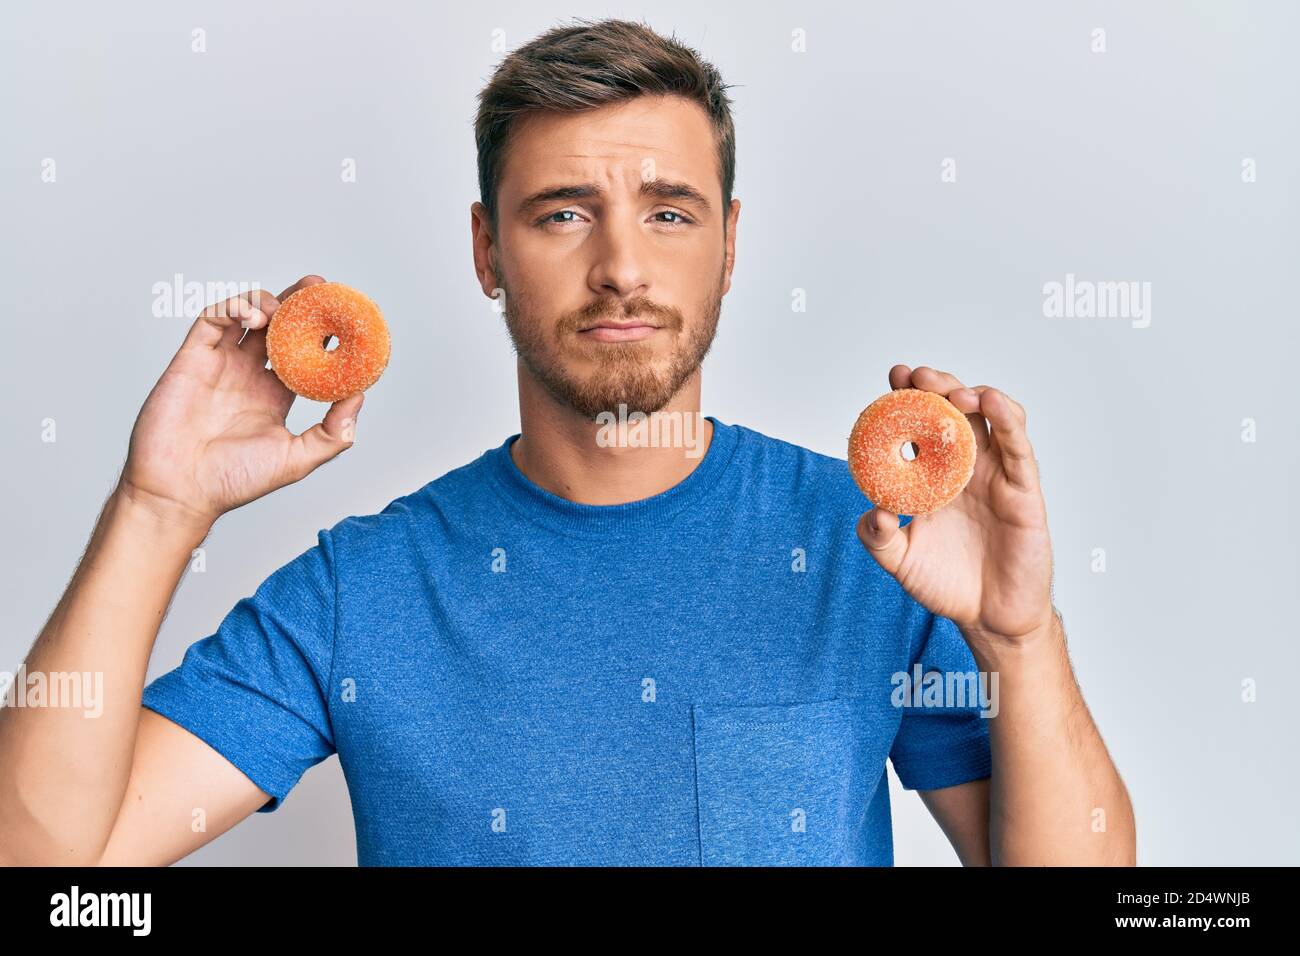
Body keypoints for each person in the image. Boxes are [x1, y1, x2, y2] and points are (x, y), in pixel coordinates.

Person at [0, 17, 1134, 866]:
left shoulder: (877, 545)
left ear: (730, 245)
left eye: (670, 212)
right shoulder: (365, 589)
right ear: (487, 250)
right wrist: (158, 510)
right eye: (562, 213)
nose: (623, 268)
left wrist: (1018, 641)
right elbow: (46, 864)